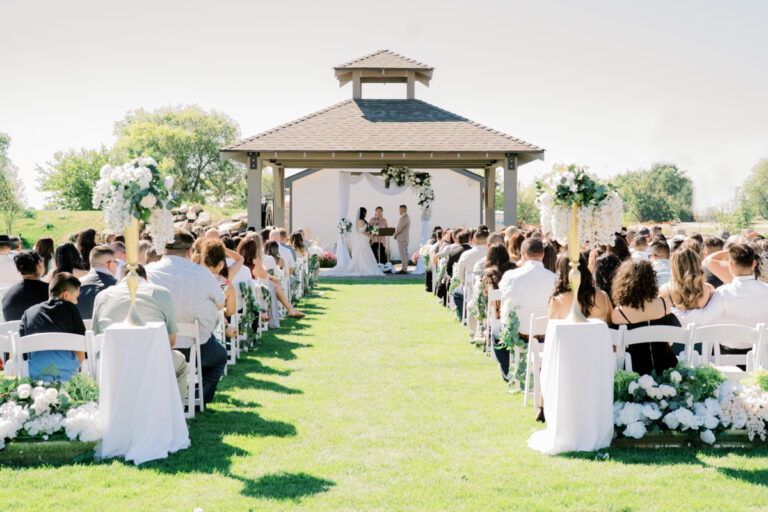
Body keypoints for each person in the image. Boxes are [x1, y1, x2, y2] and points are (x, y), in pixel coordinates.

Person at [145, 230, 227, 405]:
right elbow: (221, 304)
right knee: (219, 357)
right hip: (194, 347)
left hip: (155, 344)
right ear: (190, 251)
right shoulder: (202, 273)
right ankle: (197, 398)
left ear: (163, 249)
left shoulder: (148, 271)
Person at [92, 264, 188, 403]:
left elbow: (96, 338)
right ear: (146, 278)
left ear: (120, 279)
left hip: (111, 365)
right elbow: (170, 342)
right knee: (181, 364)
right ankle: (173, 419)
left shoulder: (102, 296)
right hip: (151, 364)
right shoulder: (161, 293)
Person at [497, 238, 557, 382]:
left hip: (520, 332)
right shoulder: (554, 278)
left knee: (495, 334)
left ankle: (508, 376)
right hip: (546, 333)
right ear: (542, 255)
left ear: (523, 255)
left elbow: (503, 296)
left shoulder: (511, 276)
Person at [611, 259, 679, 376]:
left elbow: (618, 350)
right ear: (651, 280)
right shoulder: (663, 305)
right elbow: (671, 341)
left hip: (634, 372)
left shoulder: (619, 313)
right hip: (667, 370)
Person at [676, 243, 768, 328]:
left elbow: (702, 319)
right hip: (763, 344)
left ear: (731, 265)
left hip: (728, 344)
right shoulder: (766, 290)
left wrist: (674, 311)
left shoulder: (723, 293)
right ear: (753, 264)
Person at [18, 272, 86, 382]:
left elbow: (21, 353)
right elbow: (80, 348)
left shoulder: (28, 313)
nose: (76, 302)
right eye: (76, 297)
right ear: (66, 295)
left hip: (35, 380)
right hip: (68, 378)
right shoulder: (70, 309)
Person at [548, 254, 611, 323]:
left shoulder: (557, 301)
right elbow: (610, 325)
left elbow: (552, 331)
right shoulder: (603, 296)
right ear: (585, 270)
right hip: (599, 333)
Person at [325, 207, 384, 277]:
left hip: (364, 239)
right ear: (363, 213)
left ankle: (365, 266)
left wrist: (373, 226)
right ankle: (363, 267)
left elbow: (367, 228)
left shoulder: (363, 220)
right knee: (363, 251)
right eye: (366, 212)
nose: (366, 214)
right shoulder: (360, 221)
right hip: (362, 238)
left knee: (365, 251)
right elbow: (362, 231)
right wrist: (370, 236)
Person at [659, 248, 714, 316]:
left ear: (674, 266)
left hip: (677, 326)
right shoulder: (709, 289)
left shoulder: (664, 290)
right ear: (697, 264)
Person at [452, 225, 490, 321]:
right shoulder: (491, 253)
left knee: (456, 292)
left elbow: (460, 275)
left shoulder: (466, 255)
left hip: (470, 289)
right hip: (489, 290)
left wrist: (465, 283)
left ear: (473, 241)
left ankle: (464, 318)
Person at [1, 250, 49, 321]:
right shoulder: (50, 291)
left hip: (11, 331)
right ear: (39, 263)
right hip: (41, 331)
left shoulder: (8, 293)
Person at [76, 245, 119, 320]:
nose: (116, 266)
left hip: (77, 330)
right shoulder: (116, 285)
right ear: (110, 264)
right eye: (116, 262)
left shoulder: (76, 284)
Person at [393, 205, 410, 274]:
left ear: (403, 210)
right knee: (404, 254)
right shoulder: (406, 217)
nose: (399, 211)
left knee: (403, 254)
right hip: (404, 238)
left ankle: (404, 269)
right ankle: (404, 268)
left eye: (400, 210)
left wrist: (395, 235)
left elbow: (400, 228)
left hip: (402, 238)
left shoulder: (404, 218)